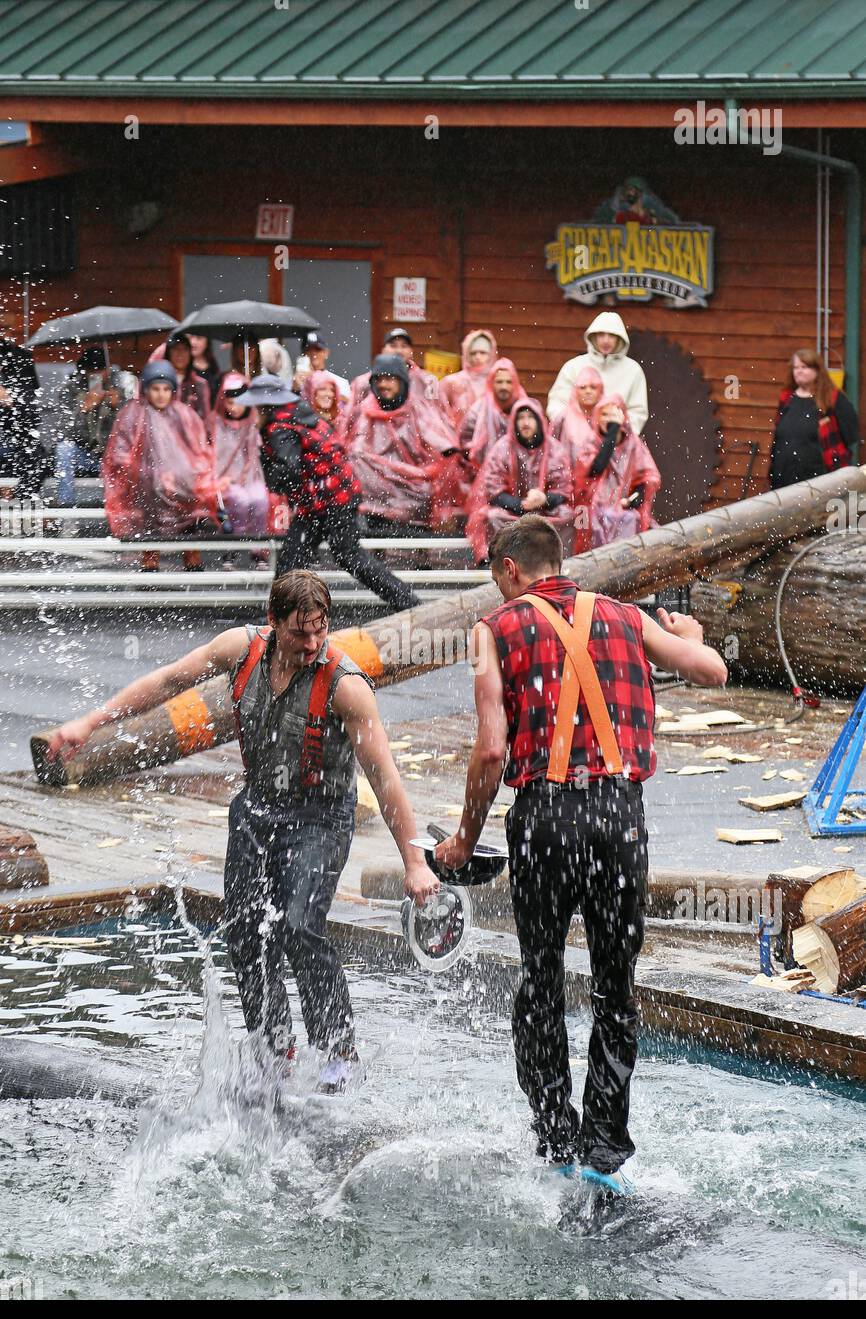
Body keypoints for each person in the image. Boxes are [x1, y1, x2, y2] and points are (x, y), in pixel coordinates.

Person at [42, 570, 440, 1092]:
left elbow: (386, 779)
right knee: (245, 932)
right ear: (273, 623)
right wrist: (91, 723)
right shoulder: (241, 649)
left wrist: (413, 863)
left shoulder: (346, 688)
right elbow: (167, 681)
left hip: (320, 821)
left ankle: (338, 1053)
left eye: (321, 629)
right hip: (256, 812)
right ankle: (274, 1046)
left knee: (300, 926)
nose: (312, 643)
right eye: (300, 632)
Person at [434, 515, 727, 1191]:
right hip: (618, 821)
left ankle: (555, 1141)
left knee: (540, 982)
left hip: (544, 821)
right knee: (614, 990)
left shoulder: (494, 629)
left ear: (510, 570)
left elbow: (488, 750)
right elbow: (709, 671)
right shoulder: (622, 615)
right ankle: (604, 1159)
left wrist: (464, 841)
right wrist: (694, 636)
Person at [238, 373, 419, 610]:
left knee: (342, 557)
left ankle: (409, 603)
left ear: (263, 406)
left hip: (327, 502)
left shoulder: (280, 427)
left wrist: (266, 459)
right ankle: (281, 615)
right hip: (329, 499)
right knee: (294, 561)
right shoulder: (300, 412)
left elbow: (286, 472)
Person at [102, 360, 219, 572]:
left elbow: (199, 447)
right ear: (146, 389)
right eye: (156, 389)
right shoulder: (133, 413)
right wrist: (133, 468)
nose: (161, 394)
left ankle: (192, 555)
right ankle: (150, 556)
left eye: (166, 389)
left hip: (181, 478)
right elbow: (120, 448)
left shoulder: (183, 414)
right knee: (150, 494)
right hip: (144, 480)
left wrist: (193, 472)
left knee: (190, 497)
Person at [344, 354, 461, 529]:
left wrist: (445, 451)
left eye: (390, 379)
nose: (384, 385)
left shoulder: (415, 409)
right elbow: (357, 448)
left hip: (413, 491)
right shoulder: (366, 411)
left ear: (402, 381)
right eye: (380, 379)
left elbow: (436, 435)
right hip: (377, 497)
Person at [465, 399, 573, 564]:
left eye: (530, 417)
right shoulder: (502, 448)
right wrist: (519, 504)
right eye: (521, 418)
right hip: (511, 512)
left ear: (539, 421)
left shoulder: (555, 450)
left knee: (567, 515)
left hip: (545, 512)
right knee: (492, 516)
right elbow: (492, 489)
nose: (526, 423)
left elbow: (564, 488)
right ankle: (500, 564)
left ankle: (556, 564)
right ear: (514, 422)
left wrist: (545, 499)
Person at [433, 357, 526, 530]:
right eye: (499, 381)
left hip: (520, 477)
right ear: (491, 383)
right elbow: (464, 445)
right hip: (483, 478)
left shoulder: (524, 408)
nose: (504, 386)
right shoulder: (478, 410)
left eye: (508, 381)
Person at [573, 395, 661, 553]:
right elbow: (594, 468)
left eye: (614, 415)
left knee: (630, 521)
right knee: (594, 521)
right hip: (593, 506)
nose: (609, 419)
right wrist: (612, 433)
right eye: (604, 414)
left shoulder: (634, 444)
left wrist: (634, 499)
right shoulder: (591, 442)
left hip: (624, 507)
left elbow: (648, 477)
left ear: (623, 417)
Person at [53, 347, 137, 506]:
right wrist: (84, 408)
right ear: (83, 370)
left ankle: (124, 506)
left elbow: (129, 433)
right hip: (84, 455)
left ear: (107, 370)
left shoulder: (117, 391)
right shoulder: (70, 391)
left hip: (112, 457)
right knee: (64, 449)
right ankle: (66, 504)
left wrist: (116, 408)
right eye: (91, 370)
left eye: (100, 370)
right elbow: (62, 431)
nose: (96, 375)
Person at [769, 348, 860, 489]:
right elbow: (778, 438)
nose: (798, 371)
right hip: (784, 477)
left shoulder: (833, 398)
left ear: (817, 370)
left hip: (821, 479)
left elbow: (851, 434)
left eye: (804, 367)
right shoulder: (786, 398)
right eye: (795, 367)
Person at [547, 311, 648, 435]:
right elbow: (557, 402)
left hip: (616, 441)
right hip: (577, 441)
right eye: (601, 335)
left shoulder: (633, 370)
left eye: (611, 335)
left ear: (619, 338)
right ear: (593, 336)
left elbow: (638, 411)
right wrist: (573, 428)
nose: (606, 340)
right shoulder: (574, 366)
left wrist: (620, 433)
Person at [208, 372, 270, 569]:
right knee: (239, 501)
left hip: (251, 476)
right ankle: (232, 547)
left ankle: (259, 551)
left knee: (260, 500)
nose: (233, 407)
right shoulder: (214, 423)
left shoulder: (253, 422)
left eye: (239, 402)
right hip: (224, 479)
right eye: (229, 402)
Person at [344, 327, 442, 434]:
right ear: (383, 350)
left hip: (415, 438)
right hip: (374, 438)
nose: (398, 350)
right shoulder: (363, 382)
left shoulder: (428, 381)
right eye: (393, 346)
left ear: (411, 351)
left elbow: (437, 415)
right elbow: (351, 415)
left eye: (404, 346)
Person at [0, 326, 49, 499]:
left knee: (39, 458)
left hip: (12, 439)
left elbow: (31, 418)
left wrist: (11, 401)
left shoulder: (18, 366)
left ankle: (15, 496)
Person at [438, 330, 498, 427]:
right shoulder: (451, 382)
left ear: (491, 354)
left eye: (483, 353)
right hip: (457, 439)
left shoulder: (499, 382)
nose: (478, 357)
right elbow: (438, 414)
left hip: (492, 440)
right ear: (466, 354)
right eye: (473, 353)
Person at [549, 365, 603, 463]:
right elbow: (551, 449)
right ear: (575, 391)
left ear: (600, 390)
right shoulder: (562, 418)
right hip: (566, 474)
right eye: (583, 387)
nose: (588, 391)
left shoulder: (606, 417)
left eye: (593, 387)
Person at [164, 332, 212, 419]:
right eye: (176, 349)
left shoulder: (200, 384)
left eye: (185, 349)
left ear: (190, 353)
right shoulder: (160, 381)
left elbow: (205, 418)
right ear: (168, 353)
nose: (180, 354)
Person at [293, 333, 350, 401]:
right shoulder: (294, 381)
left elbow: (347, 406)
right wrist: (295, 390)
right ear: (302, 354)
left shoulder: (339, 382)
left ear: (326, 353)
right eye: (308, 350)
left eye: (317, 349)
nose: (313, 353)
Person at [187, 333, 223, 406]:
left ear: (207, 342)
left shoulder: (213, 366)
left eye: (199, 338)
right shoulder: (183, 365)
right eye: (189, 337)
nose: (192, 342)